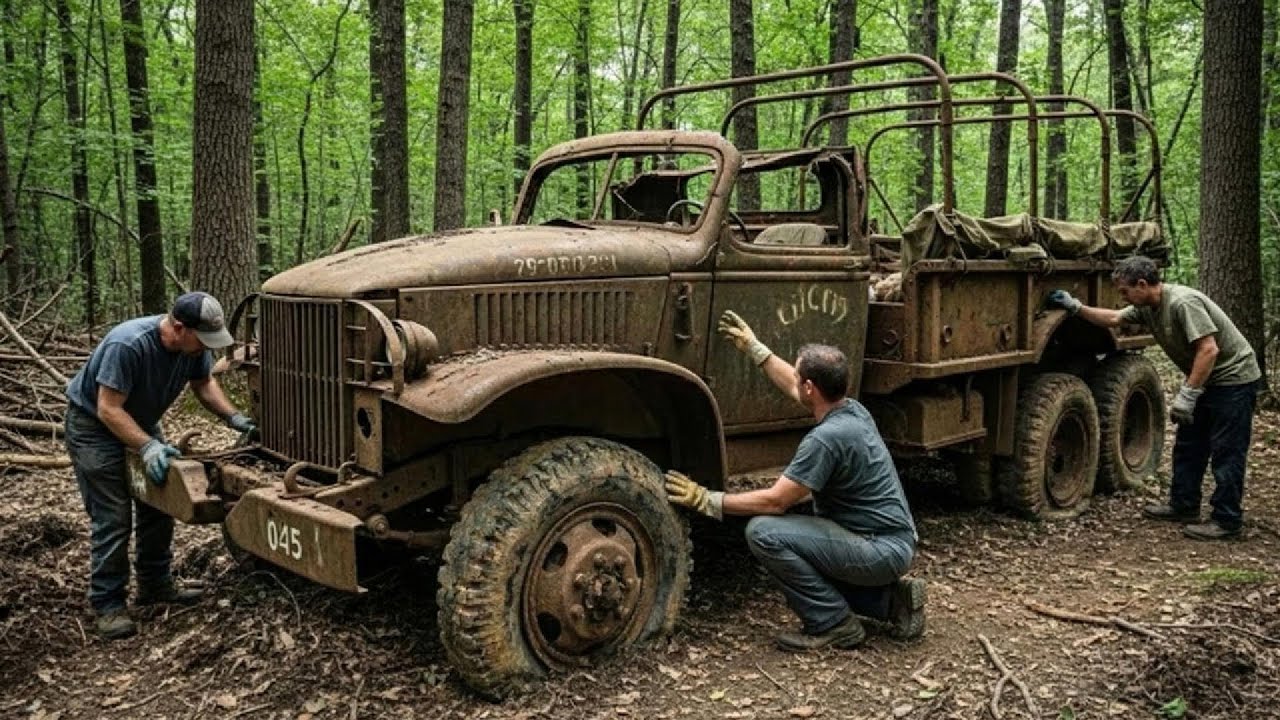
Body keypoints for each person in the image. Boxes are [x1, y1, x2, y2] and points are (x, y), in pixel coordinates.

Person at [664, 311, 924, 651]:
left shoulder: (825, 439)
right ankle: (891, 602)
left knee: (766, 533)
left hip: (878, 549)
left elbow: (776, 501)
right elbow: (793, 383)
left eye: (800, 374)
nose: (795, 379)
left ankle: (834, 624)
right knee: (806, 543)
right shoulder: (852, 410)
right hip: (891, 542)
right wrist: (757, 350)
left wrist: (706, 499)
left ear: (811, 388)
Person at [64, 291, 257, 639]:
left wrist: (234, 417)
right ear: (179, 328)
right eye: (202, 339)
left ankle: (155, 583)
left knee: (159, 500)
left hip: (140, 420)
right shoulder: (128, 344)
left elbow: (204, 383)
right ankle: (108, 604)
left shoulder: (193, 347)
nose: (205, 347)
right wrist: (148, 445)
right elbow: (108, 408)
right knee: (113, 516)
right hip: (94, 428)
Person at [1047, 256, 1261, 540]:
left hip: (1233, 381)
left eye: (1125, 291)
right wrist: (1076, 308)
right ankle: (1183, 505)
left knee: (1226, 451)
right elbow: (1113, 319)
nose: (1123, 297)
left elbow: (1208, 350)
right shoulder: (1146, 307)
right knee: (1189, 445)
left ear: (1143, 284)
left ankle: (1227, 520)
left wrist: (1189, 394)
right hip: (1206, 380)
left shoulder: (1183, 303)